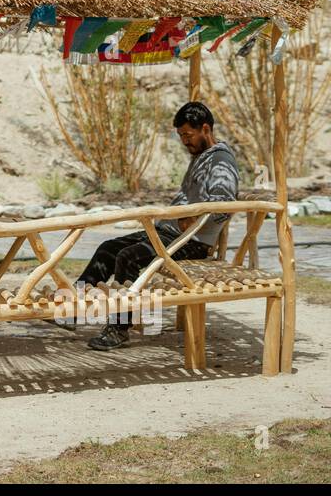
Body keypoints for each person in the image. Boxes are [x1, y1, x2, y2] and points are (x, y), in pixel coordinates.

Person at [66, 101, 239, 351]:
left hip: (192, 242)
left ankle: (118, 329)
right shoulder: (202, 157)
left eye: (189, 135)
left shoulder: (221, 161)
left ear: (206, 129)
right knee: (108, 247)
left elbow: (225, 204)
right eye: (181, 136)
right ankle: (72, 309)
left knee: (129, 257)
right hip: (170, 233)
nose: (185, 141)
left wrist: (194, 219)